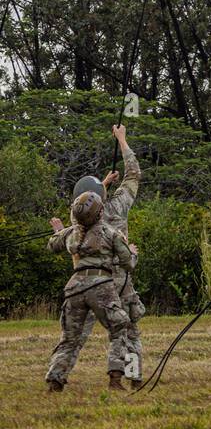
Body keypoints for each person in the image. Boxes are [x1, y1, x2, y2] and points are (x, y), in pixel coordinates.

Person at [48, 121, 145, 387]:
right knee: (128, 330)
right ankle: (133, 377)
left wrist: (101, 184)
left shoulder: (75, 217)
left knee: (73, 336)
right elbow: (134, 174)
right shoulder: (119, 205)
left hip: (83, 281)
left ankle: (57, 377)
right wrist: (122, 140)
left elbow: (87, 203)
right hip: (118, 280)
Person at [45, 191, 133, 392]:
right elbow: (128, 264)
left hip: (74, 287)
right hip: (101, 286)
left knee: (69, 338)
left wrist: (62, 231)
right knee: (119, 328)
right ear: (100, 212)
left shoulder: (71, 233)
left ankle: (55, 380)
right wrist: (132, 254)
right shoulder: (112, 233)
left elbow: (52, 245)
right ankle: (115, 379)